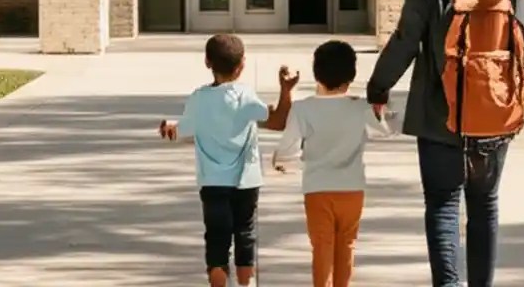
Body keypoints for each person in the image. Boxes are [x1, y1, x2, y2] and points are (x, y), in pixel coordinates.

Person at [366, 0, 524, 287]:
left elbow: (407, 39)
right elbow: (523, 39)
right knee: (484, 206)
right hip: (494, 114)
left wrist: (379, 87)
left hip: (442, 116)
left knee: (442, 205)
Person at [159, 33, 300, 287]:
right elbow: (278, 121)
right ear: (242, 65)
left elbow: (182, 130)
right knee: (245, 235)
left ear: (207, 62)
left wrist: (169, 127)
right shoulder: (244, 96)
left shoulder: (199, 98)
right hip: (246, 182)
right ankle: (247, 284)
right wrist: (285, 90)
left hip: (212, 184)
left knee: (216, 238)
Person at [270, 40, 400, 287]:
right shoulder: (360, 107)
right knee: (347, 244)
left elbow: (288, 147)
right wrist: (381, 107)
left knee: (321, 245)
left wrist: (280, 161)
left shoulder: (303, 109)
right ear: (351, 75)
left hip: (317, 189)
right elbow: (385, 130)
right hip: (352, 189)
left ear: (316, 73)